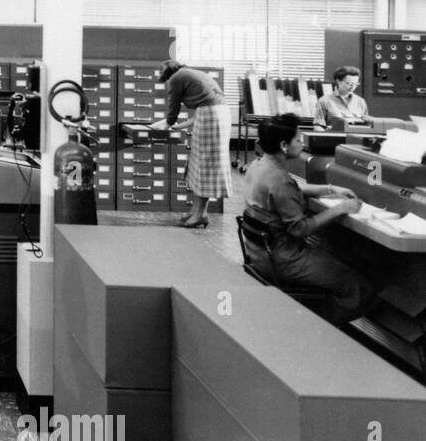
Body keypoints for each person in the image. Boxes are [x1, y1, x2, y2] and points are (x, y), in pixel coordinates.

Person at [242, 113, 377, 325]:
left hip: (259, 254)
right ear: (284, 145)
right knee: (359, 288)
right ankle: (314, 325)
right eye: (298, 139)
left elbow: (291, 190)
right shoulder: (280, 180)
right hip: (285, 259)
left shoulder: (259, 165)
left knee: (341, 263)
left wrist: (331, 189)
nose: (303, 142)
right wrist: (340, 208)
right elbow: (300, 229)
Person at [149, 60, 230, 228]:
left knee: (204, 166)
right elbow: (205, 108)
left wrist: (168, 125)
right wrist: (178, 126)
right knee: (202, 165)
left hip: (210, 116)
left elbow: (173, 108)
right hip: (218, 115)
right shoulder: (193, 73)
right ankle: (199, 212)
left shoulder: (176, 78)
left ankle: (199, 214)